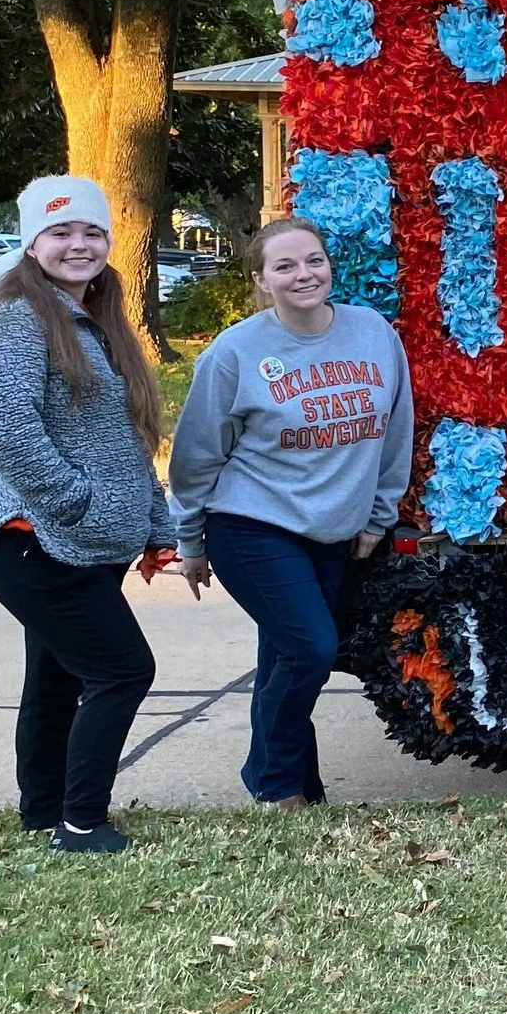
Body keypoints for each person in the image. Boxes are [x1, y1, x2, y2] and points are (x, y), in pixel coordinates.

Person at [0, 176, 175, 854]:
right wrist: (77, 505)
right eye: (60, 231)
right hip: (36, 542)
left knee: (56, 678)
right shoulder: (15, 319)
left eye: (92, 232)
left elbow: (126, 437)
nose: (79, 244)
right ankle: (81, 823)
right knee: (122, 670)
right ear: (31, 243)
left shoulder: (96, 318)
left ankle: (44, 811)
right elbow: (11, 432)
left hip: (88, 541)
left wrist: (154, 525)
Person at [168, 217, 413, 808]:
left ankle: (298, 786)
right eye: (284, 265)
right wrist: (191, 542)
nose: (303, 274)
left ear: (330, 266)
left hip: (333, 531)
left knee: (284, 653)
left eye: (314, 260)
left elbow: (395, 433)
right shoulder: (234, 354)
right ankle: (276, 784)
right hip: (251, 526)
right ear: (261, 280)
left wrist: (378, 518)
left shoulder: (373, 332)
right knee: (310, 649)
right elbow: (197, 455)